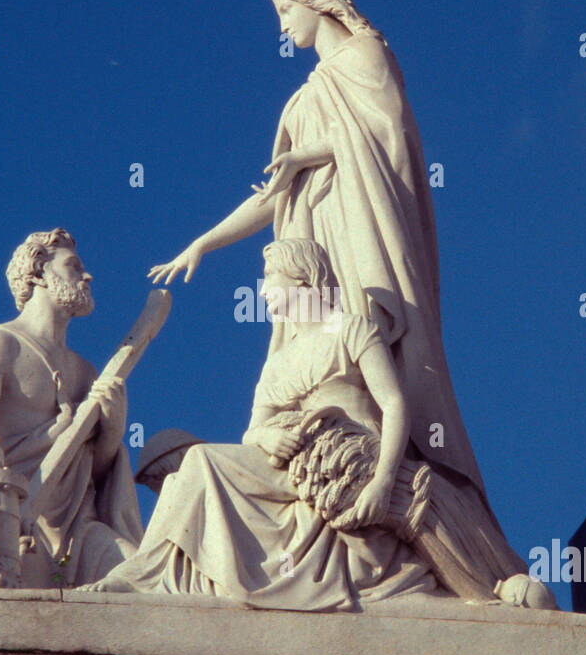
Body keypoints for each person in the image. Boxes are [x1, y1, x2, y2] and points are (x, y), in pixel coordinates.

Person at [149, 0, 512, 520]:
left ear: (317, 2)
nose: (284, 26)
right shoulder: (301, 101)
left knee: (377, 341)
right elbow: (274, 193)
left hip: (367, 232)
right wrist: (203, 243)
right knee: (313, 350)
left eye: (286, 12)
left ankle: (398, 461)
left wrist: (309, 155)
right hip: (313, 243)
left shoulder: (367, 56)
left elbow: (387, 137)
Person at [84, 238, 528, 606]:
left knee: (199, 459)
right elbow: (252, 431)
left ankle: (145, 575)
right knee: (191, 466)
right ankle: (151, 572)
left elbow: (394, 406)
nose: (261, 293)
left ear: (304, 280)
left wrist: (382, 481)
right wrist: (268, 436)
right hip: (293, 464)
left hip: (350, 458)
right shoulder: (279, 363)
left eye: (269, 283)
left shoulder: (352, 329)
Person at [0, 228, 142, 587]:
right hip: (11, 517)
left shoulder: (86, 372)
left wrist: (112, 430)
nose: (87, 275)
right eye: (73, 266)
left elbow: (96, 470)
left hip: (80, 529)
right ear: (38, 273)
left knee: (145, 581)